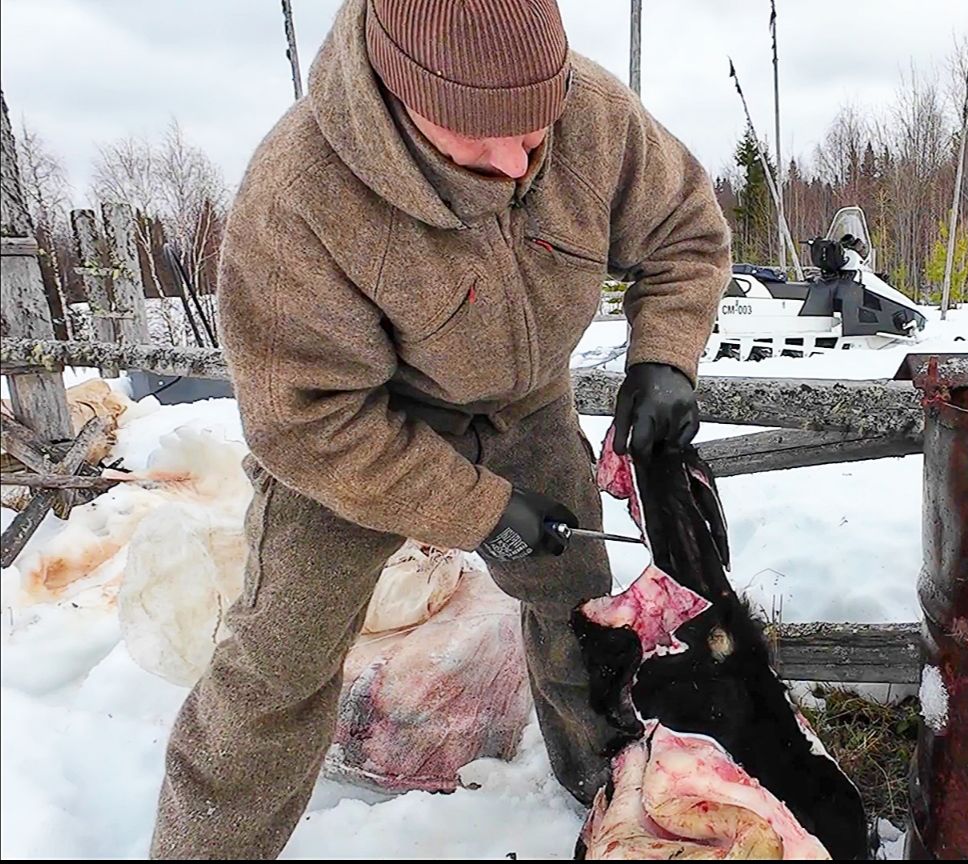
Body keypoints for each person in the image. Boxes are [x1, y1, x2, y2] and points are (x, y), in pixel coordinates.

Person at [149, 0, 730, 857]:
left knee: (585, 614)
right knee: (278, 665)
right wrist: (480, 512)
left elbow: (686, 230)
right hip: (358, 442)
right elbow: (304, 422)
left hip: (527, 408)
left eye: (532, 135)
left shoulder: (592, 114)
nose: (510, 162)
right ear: (396, 86)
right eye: (474, 136)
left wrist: (666, 357)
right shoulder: (298, 195)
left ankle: (613, 789)